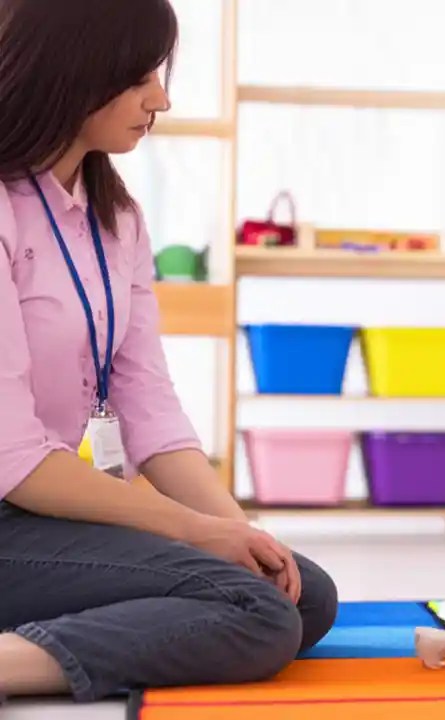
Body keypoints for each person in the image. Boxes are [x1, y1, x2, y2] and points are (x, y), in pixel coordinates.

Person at [0, 0, 338, 703]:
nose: (161, 98)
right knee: (254, 611)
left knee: (301, 593)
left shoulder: (116, 219)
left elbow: (151, 414)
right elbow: (17, 461)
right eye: (139, 76)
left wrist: (238, 532)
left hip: (39, 517)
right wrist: (194, 531)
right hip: (14, 505)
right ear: (72, 69)